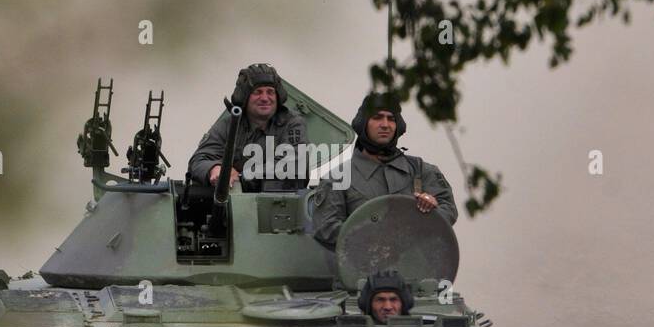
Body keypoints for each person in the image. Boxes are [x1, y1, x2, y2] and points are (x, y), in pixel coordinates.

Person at [311, 93, 457, 248]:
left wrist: (432, 211)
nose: (385, 124)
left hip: (415, 266)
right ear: (363, 123)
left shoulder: (420, 170)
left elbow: (448, 211)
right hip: (362, 266)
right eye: (377, 117)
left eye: (391, 119)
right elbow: (326, 228)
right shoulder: (338, 177)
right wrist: (370, 234)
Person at [187, 63, 307, 190]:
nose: (265, 98)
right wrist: (214, 169)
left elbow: (294, 164)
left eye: (270, 92)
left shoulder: (292, 124)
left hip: (279, 204)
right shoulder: (229, 125)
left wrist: (240, 176)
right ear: (244, 97)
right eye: (258, 92)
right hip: (232, 203)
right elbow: (198, 160)